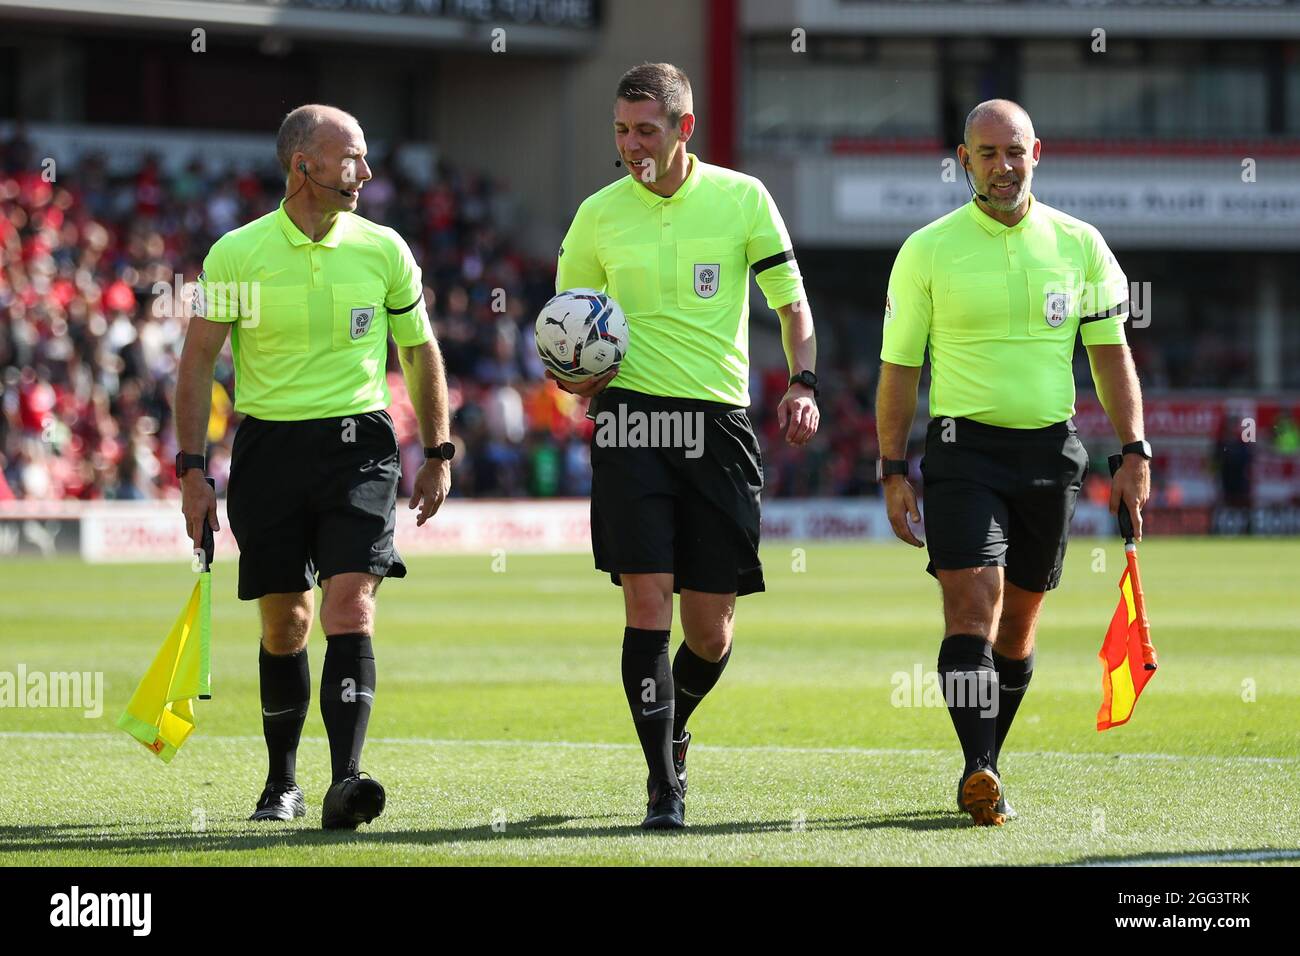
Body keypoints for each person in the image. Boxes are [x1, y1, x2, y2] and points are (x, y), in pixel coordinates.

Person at [553, 63, 820, 829]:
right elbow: (567, 326)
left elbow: (793, 308)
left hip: (719, 427)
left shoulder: (743, 199)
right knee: (647, 608)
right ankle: (663, 786)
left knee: (710, 629)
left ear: (683, 129)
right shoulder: (597, 215)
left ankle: (677, 728)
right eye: (621, 131)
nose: (632, 145)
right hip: (630, 424)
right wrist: (573, 377)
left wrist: (802, 382)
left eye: (646, 130)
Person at [175, 104, 453, 829]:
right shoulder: (236, 253)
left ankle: (347, 780)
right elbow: (199, 360)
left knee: (350, 606)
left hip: (360, 446)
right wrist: (191, 469)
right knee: (286, 624)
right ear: (304, 166)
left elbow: (418, 353)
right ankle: (281, 783)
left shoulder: (385, 249)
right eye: (350, 158)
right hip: (268, 449)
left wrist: (439, 451)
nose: (364, 172)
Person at [876, 99, 1152, 826]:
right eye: (987, 154)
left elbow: (1110, 355)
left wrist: (1134, 452)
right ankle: (977, 768)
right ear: (963, 160)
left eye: (1015, 152)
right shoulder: (927, 250)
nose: (1003, 166)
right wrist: (892, 467)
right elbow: (899, 369)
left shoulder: (1080, 244)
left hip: (1049, 454)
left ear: (1039, 153)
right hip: (963, 451)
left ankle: (989, 762)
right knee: (972, 603)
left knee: (1019, 626)